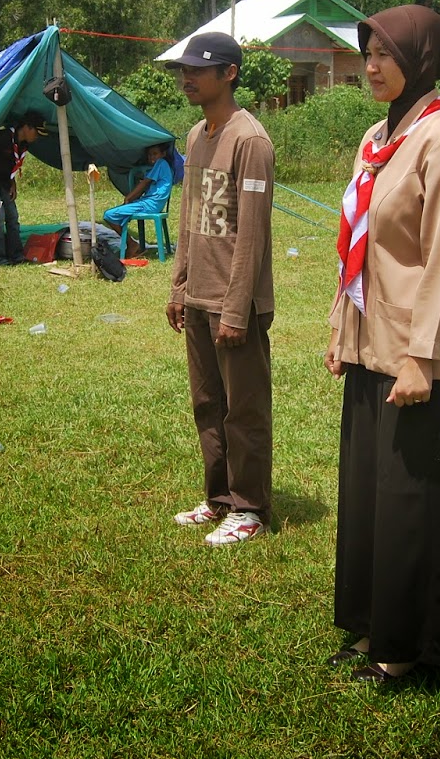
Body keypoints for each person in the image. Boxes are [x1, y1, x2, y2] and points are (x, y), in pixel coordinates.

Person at [324, 5, 440, 683]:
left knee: (413, 503)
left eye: (386, 52)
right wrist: (341, 326)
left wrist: (420, 355)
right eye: (367, 53)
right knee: (369, 498)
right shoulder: (375, 138)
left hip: (417, 357)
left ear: (418, 59)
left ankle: (411, 646)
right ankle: (372, 625)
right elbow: (355, 244)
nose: (372, 65)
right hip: (368, 345)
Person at [165, 32, 276, 546]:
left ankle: (250, 507)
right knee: (207, 404)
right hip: (199, 296)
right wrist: (179, 285)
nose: (187, 78)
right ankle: (219, 499)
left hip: (236, 304)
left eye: (197, 70)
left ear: (229, 73)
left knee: (244, 408)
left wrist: (236, 310)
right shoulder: (195, 136)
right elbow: (190, 216)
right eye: (183, 70)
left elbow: (251, 233)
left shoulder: (249, 140)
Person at [0, 112, 44, 265]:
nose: (37, 136)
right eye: (36, 132)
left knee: (13, 218)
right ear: (26, 127)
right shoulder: (3, 137)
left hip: (5, 182)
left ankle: (16, 255)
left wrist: (13, 184)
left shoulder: (24, 144)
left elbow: (12, 164)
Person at [102, 142, 174, 253]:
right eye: (150, 155)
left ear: (163, 154)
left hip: (151, 204)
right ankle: (131, 243)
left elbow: (145, 182)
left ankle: (131, 244)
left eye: (155, 153)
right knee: (118, 213)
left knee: (109, 215)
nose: (152, 157)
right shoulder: (159, 167)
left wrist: (128, 198)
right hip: (151, 203)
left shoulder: (161, 163)